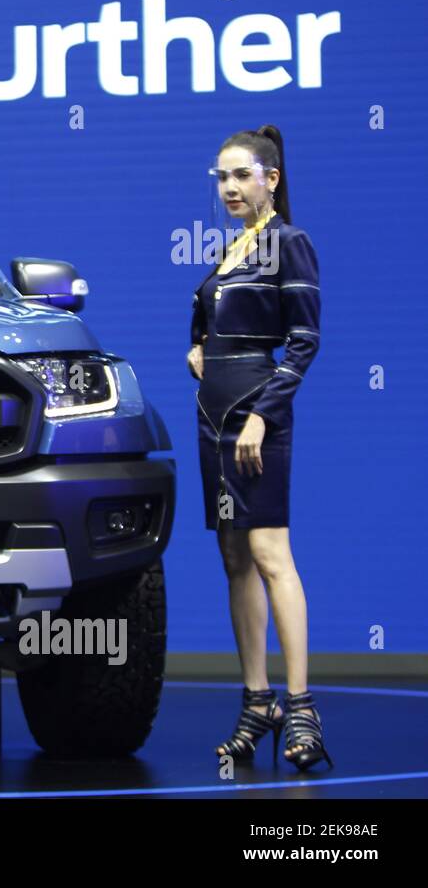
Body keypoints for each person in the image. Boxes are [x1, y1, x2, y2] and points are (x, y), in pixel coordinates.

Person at [188, 124, 332, 772]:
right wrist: (197, 350)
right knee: (232, 556)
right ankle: (257, 702)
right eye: (221, 177)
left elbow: (304, 341)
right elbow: (205, 321)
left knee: (271, 552)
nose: (230, 187)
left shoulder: (288, 243)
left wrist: (263, 417)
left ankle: (301, 708)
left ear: (271, 178)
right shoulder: (229, 250)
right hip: (210, 417)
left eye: (242, 175)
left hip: (254, 416)